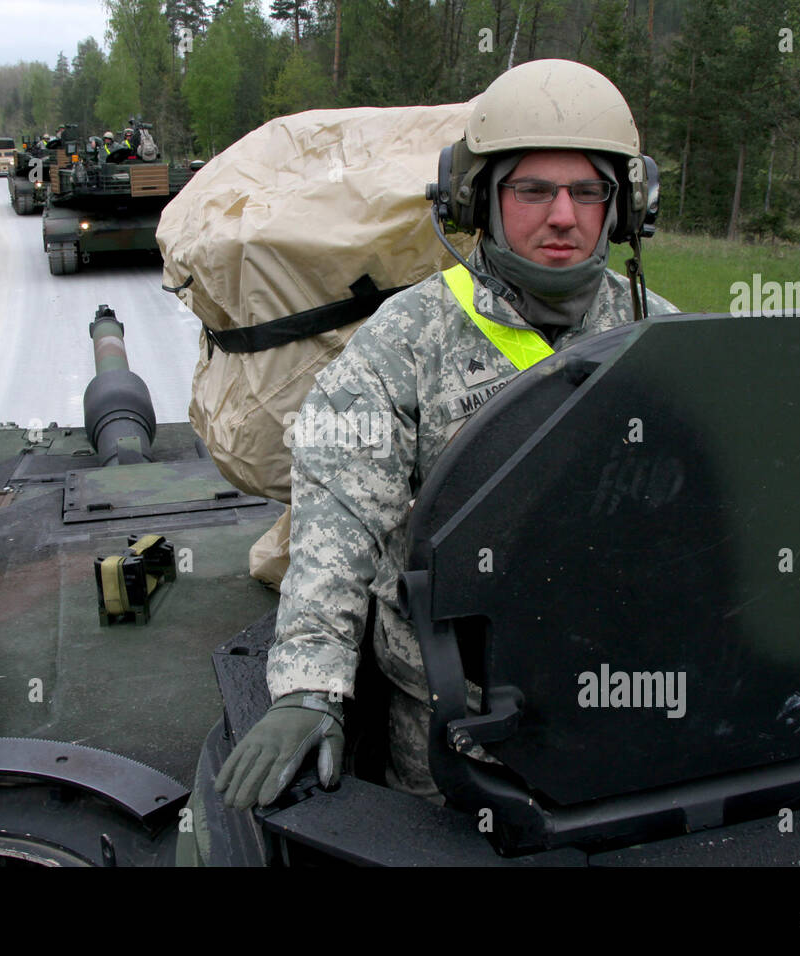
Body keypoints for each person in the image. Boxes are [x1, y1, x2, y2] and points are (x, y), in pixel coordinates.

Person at [211, 59, 682, 815]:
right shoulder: (406, 341)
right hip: (455, 721)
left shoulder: (662, 336)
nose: (562, 215)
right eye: (532, 190)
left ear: (626, 209)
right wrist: (310, 687)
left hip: (622, 692)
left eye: (587, 191)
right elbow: (339, 515)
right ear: (478, 201)